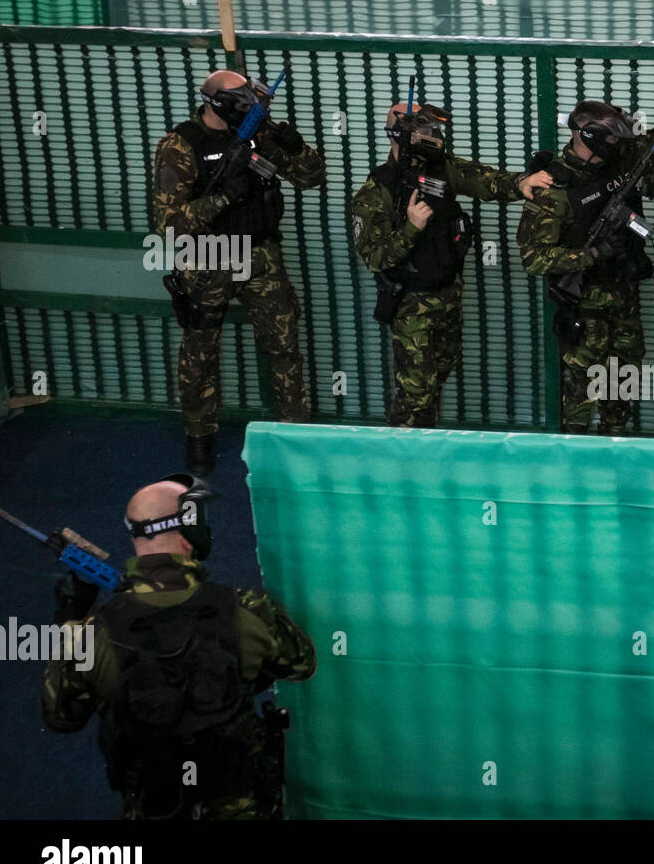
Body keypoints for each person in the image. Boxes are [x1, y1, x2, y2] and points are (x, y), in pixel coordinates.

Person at [42, 474, 316, 819]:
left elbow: (61, 717)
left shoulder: (89, 636)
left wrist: (68, 622)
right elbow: (302, 664)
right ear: (189, 533)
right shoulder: (246, 611)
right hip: (241, 797)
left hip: (154, 801)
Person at [152, 69, 327, 475]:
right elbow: (169, 224)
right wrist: (223, 198)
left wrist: (296, 148)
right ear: (218, 104)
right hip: (208, 255)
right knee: (199, 351)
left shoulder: (258, 136)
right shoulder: (179, 146)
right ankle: (199, 435)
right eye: (242, 102)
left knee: (283, 342)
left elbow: (312, 178)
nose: (252, 109)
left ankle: (295, 433)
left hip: (260, 252)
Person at [350, 102, 553, 427]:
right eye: (426, 131)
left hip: (447, 294)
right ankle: (401, 458)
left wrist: (520, 183)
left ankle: (427, 448)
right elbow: (374, 257)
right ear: (403, 137)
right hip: (410, 303)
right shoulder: (377, 190)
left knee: (440, 374)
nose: (436, 137)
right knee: (415, 391)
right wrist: (410, 229)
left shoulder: (442, 169)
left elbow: (484, 180)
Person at [517, 101, 654, 434]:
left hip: (624, 298)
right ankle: (572, 463)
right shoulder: (554, 189)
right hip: (585, 306)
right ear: (591, 137)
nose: (615, 145)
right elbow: (534, 258)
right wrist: (593, 254)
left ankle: (615, 449)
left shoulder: (618, 159)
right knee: (581, 393)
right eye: (608, 139)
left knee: (622, 389)